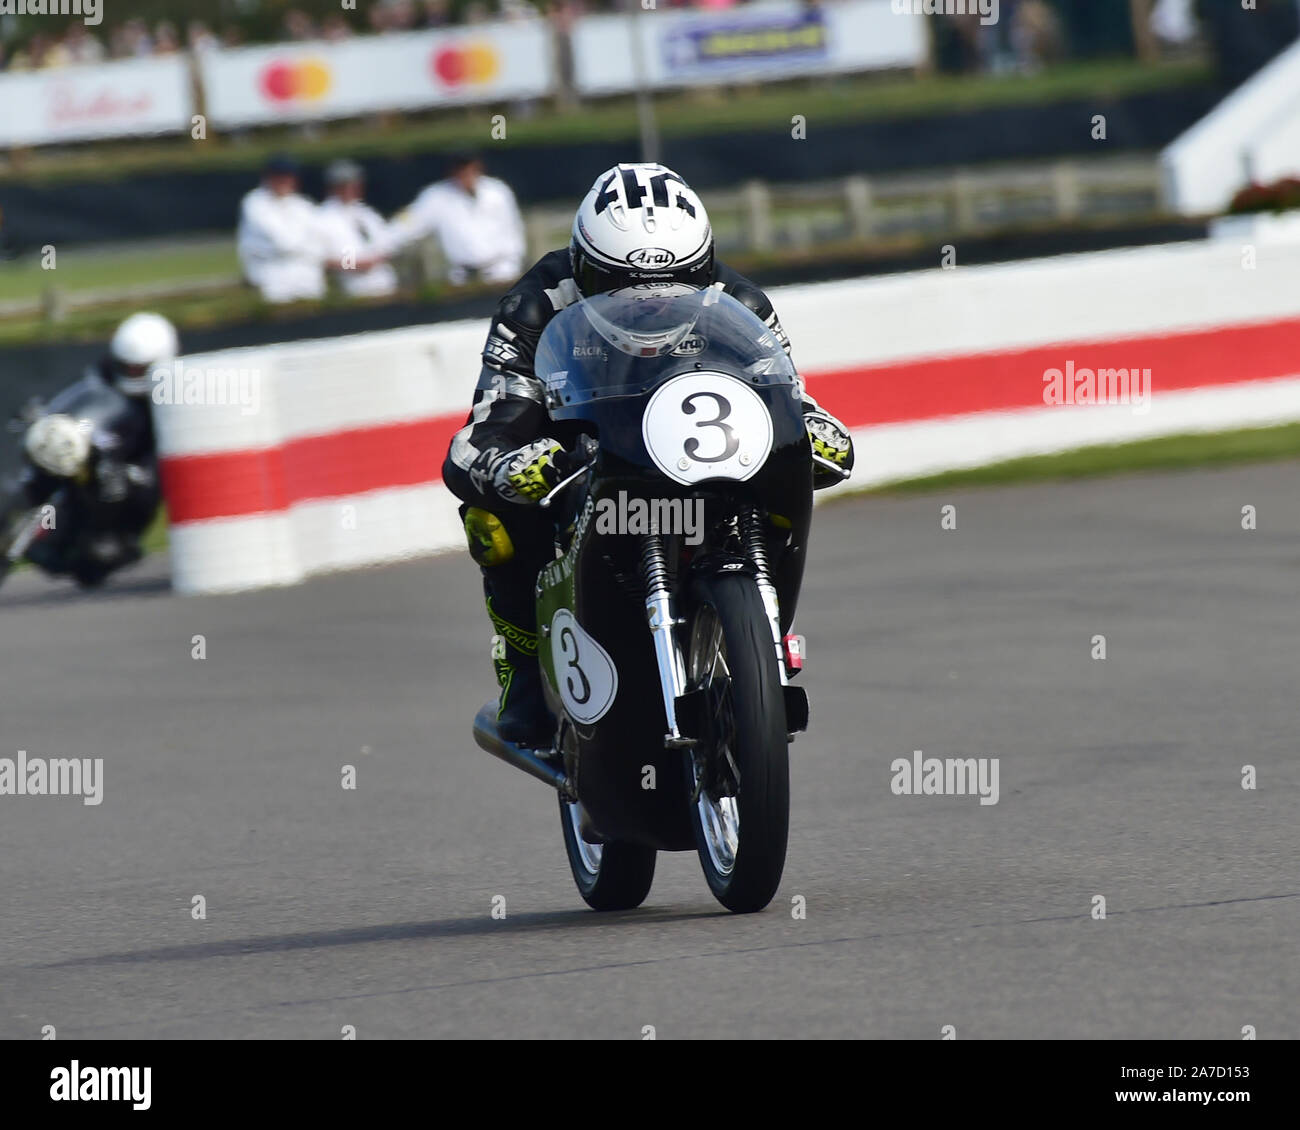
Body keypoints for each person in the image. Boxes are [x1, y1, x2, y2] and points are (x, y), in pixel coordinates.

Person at [441, 162, 855, 748]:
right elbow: (484, 430)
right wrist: (514, 463)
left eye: (678, 280)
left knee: (787, 476)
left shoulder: (738, 300)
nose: (651, 303)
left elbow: (789, 399)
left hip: (702, 467)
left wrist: (815, 432)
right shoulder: (536, 304)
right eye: (621, 283)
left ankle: (763, 639)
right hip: (592, 463)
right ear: (585, 266)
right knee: (492, 523)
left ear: (704, 262)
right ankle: (526, 671)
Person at [15, 313, 176, 586]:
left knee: (105, 552)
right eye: (127, 366)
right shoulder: (102, 376)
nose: (130, 373)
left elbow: (158, 471)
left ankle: (109, 539)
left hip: (131, 478)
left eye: (138, 369)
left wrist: (133, 474)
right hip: (87, 452)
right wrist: (47, 417)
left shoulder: (168, 404)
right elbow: (81, 400)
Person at [389, 153, 526, 287]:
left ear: (478, 166)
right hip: (462, 276)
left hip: (502, 271)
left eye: (468, 167)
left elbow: (514, 228)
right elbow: (408, 224)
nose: (465, 173)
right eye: (460, 168)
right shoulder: (437, 196)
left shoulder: (497, 191)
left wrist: (514, 261)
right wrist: (381, 246)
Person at [236, 154, 330, 304]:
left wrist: (307, 248)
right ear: (268, 177)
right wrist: (307, 246)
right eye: (279, 176)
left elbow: (323, 243)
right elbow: (283, 242)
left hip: (308, 280)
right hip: (273, 281)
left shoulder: (303, 205)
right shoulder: (255, 202)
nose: (285, 181)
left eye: (288, 176)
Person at [316, 159, 399, 298]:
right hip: (354, 289)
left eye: (354, 184)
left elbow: (386, 243)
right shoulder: (323, 218)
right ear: (333, 187)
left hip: (385, 283)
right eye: (343, 185)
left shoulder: (366, 213)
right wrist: (355, 265)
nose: (350, 189)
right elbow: (323, 258)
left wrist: (378, 257)